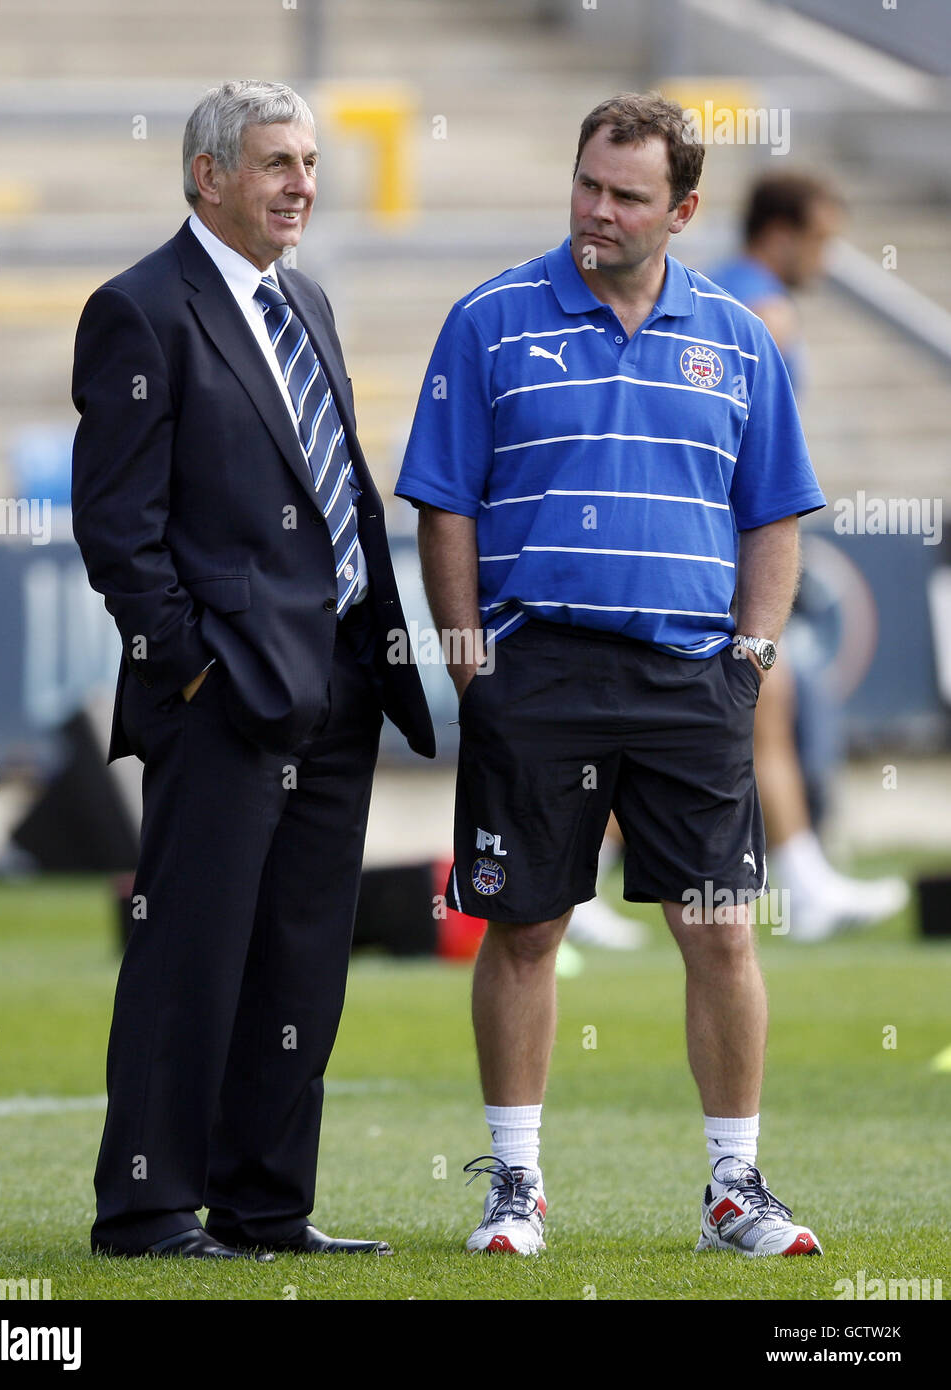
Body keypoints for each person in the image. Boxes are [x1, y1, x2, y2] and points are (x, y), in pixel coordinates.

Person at [396, 93, 827, 1257]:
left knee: (722, 931)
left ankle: (734, 1188)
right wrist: (468, 656)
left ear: (682, 210)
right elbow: (444, 500)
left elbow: (774, 511)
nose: (597, 209)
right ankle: (515, 1187)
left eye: (627, 194)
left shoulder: (739, 336)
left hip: (692, 680)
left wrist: (750, 656)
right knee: (526, 928)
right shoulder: (489, 319)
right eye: (586, 182)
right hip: (536, 671)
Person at [71, 79, 434, 1261]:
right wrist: (191, 673)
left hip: (333, 684)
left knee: (300, 957)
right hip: (223, 696)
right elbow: (118, 532)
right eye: (277, 163)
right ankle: (146, 1208)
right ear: (207, 175)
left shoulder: (305, 299)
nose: (303, 186)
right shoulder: (138, 310)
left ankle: (266, 1205)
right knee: (190, 958)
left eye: (312, 164)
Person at [709, 174, 908, 941]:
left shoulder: (714, 289)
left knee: (749, 714)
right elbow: (754, 456)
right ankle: (804, 882)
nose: (825, 259)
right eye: (820, 240)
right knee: (744, 711)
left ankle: (804, 877)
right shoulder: (767, 310)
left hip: (710, 549)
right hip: (729, 554)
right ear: (782, 233)